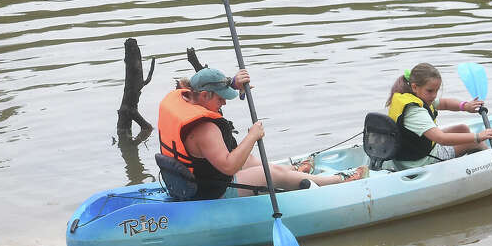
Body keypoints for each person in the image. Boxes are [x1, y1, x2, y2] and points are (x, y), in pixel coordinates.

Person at [157, 67, 366, 201]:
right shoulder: (204, 129)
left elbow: (203, 83)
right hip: (212, 191)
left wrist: (231, 83)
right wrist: (252, 136)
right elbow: (229, 166)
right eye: (221, 98)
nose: (224, 102)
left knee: (252, 161)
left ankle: (294, 171)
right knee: (271, 174)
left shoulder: (184, 95)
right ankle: (337, 181)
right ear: (204, 95)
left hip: (192, 180)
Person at [383, 62, 492, 171]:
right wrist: (478, 136)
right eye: (430, 91)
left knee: (462, 128)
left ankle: (472, 161)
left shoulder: (411, 96)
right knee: (474, 141)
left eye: (436, 91)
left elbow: (444, 103)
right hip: (420, 162)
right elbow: (441, 139)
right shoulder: (415, 112)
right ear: (415, 87)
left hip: (412, 153)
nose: (434, 95)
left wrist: (465, 106)